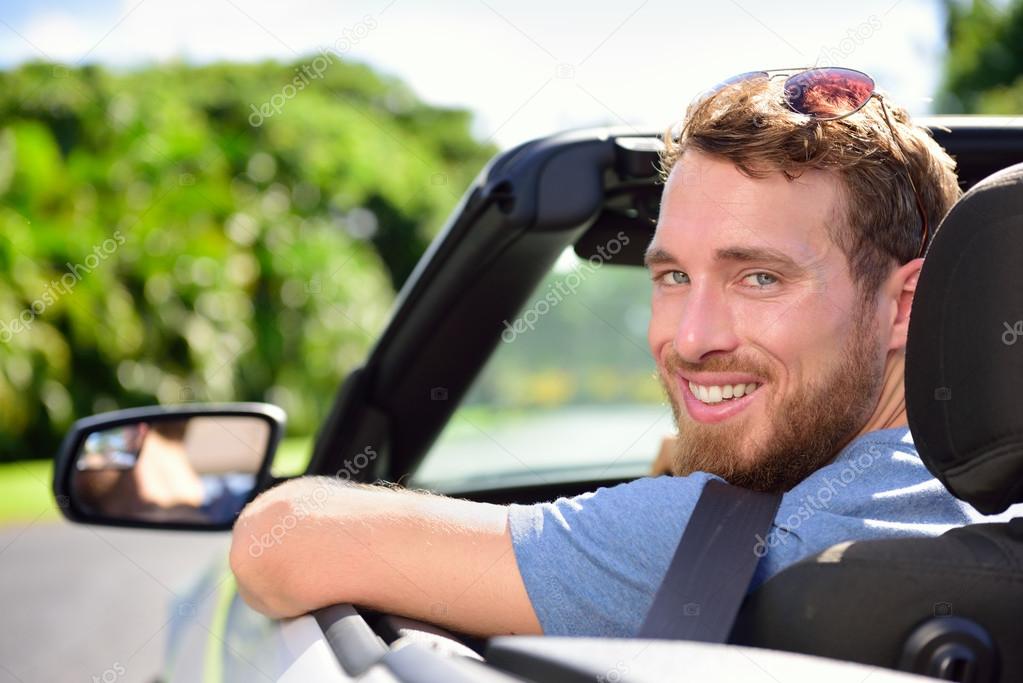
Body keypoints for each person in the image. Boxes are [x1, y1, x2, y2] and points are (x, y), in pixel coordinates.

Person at [228, 68, 1007, 637]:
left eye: (758, 277)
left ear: (903, 305)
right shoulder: (983, 513)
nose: (691, 338)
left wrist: (682, 500)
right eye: (672, 276)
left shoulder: (733, 539)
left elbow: (282, 538)